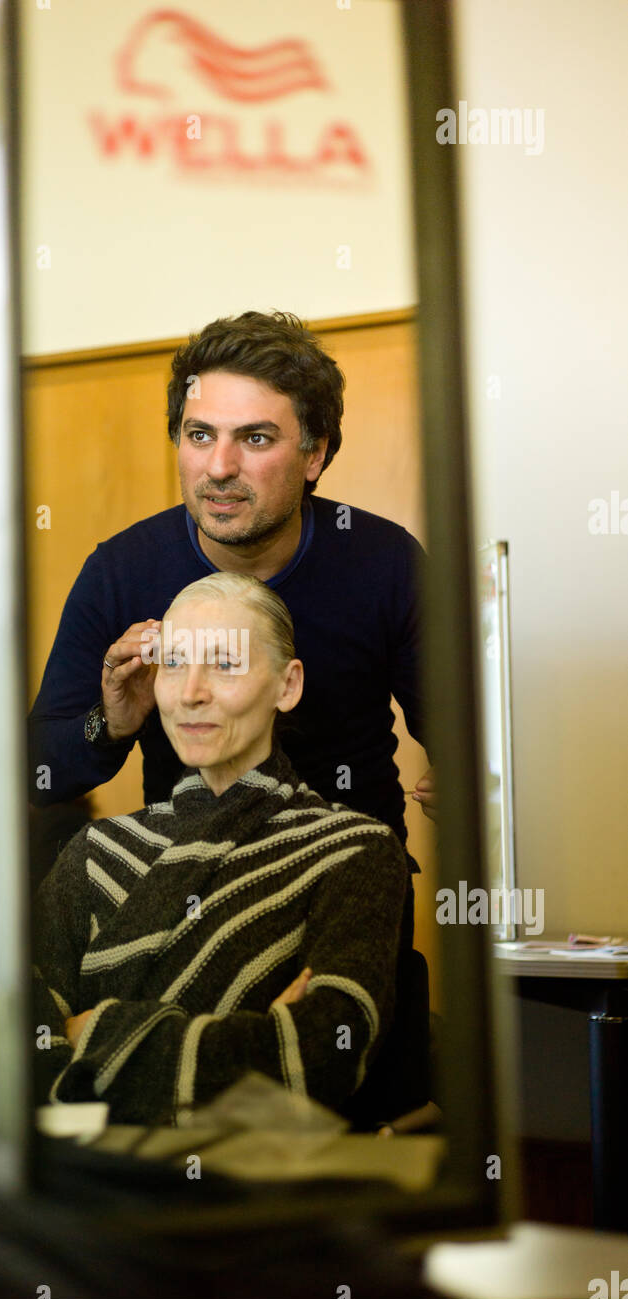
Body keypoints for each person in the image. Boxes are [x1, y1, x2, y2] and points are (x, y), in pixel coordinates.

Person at [28, 310, 434, 950]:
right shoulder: (121, 570)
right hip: (189, 897)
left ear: (314, 453)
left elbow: (461, 733)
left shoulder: (384, 562)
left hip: (352, 897)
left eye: (255, 438)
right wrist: (111, 723)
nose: (218, 467)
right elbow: (41, 769)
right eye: (199, 435)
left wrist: (470, 778)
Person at [32, 574, 407, 1126]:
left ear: (288, 685)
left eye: (225, 664)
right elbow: (11, 1045)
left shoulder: (354, 852)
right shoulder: (96, 852)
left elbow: (322, 1060)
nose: (190, 693)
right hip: (87, 1189)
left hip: (256, 1197)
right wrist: (251, 1052)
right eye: (176, 663)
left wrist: (95, 1035)